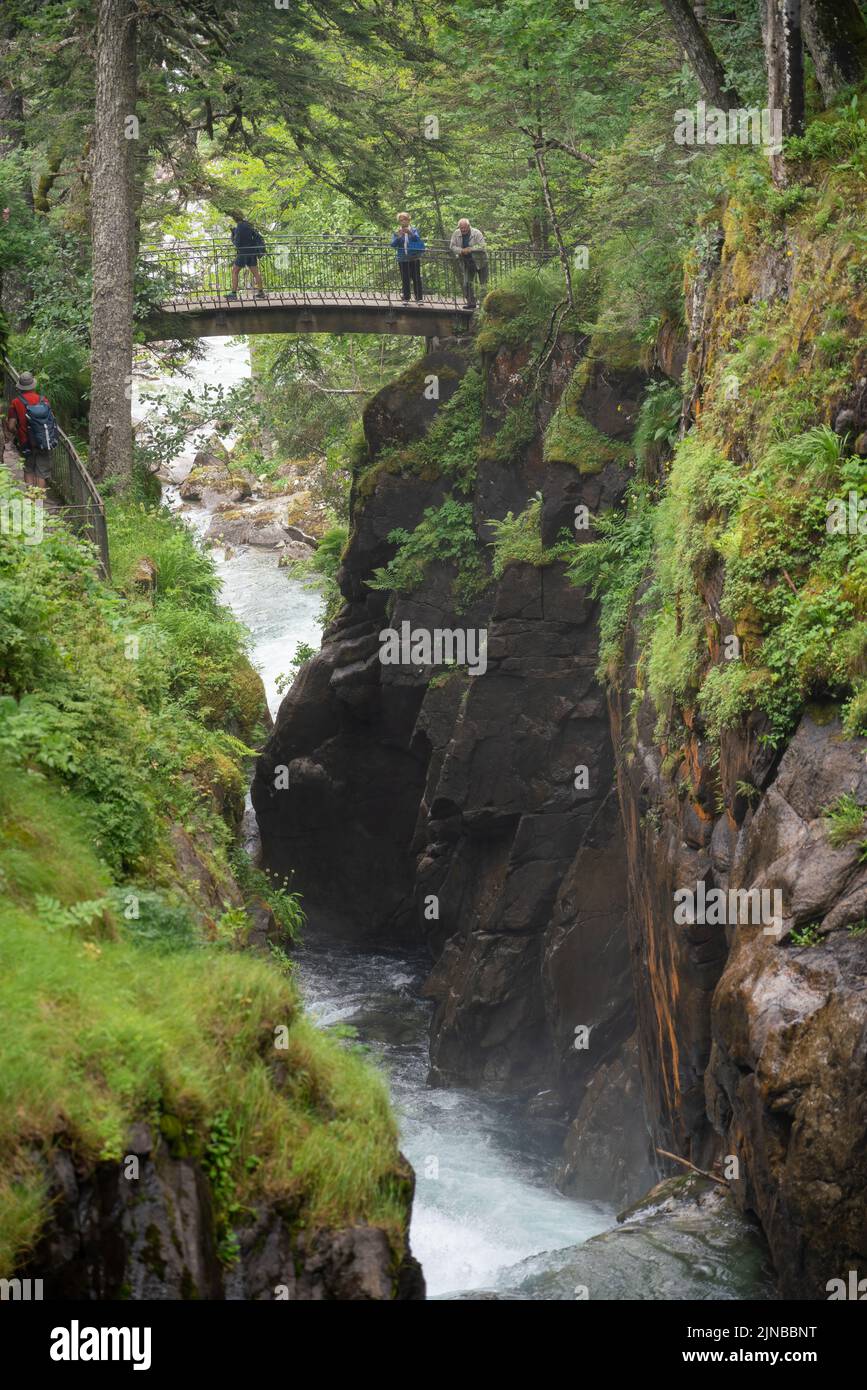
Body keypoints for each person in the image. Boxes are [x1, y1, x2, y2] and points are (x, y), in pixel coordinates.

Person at [5, 371, 57, 489]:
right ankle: (39, 505)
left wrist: (19, 433)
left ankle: (30, 503)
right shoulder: (44, 400)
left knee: (29, 470)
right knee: (41, 474)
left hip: (26, 442)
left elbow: (11, 426)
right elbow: (51, 419)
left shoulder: (16, 402)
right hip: (44, 441)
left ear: (21, 387)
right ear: (33, 385)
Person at [449, 218, 489, 308]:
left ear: (469, 226)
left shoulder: (477, 233)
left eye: (464, 228)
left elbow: (482, 246)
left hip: (481, 261)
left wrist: (470, 249)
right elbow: (452, 246)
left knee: (483, 283)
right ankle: (471, 303)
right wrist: (461, 251)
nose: (463, 230)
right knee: (467, 283)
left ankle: (483, 305)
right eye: (461, 228)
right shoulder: (456, 233)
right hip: (467, 262)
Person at [228, 213, 266, 299]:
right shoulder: (249, 225)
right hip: (252, 252)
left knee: (234, 271)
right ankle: (261, 292)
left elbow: (237, 243)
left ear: (235, 219)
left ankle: (233, 294)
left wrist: (233, 234)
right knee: (256, 273)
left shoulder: (239, 227)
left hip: (243, 253)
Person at [391, 212, 424, 303]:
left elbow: (418, 241)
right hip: (402, 258)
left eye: (405, 219)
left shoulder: (414, 230)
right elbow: (393, 244)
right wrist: (399, 236)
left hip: (414, 258)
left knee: (416, 278)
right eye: (401, 220)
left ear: (409, 220)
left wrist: (410, 233)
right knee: (405, 278)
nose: (403, 222)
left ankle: (419, 298)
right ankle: (406, 298)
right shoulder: (397, 231)